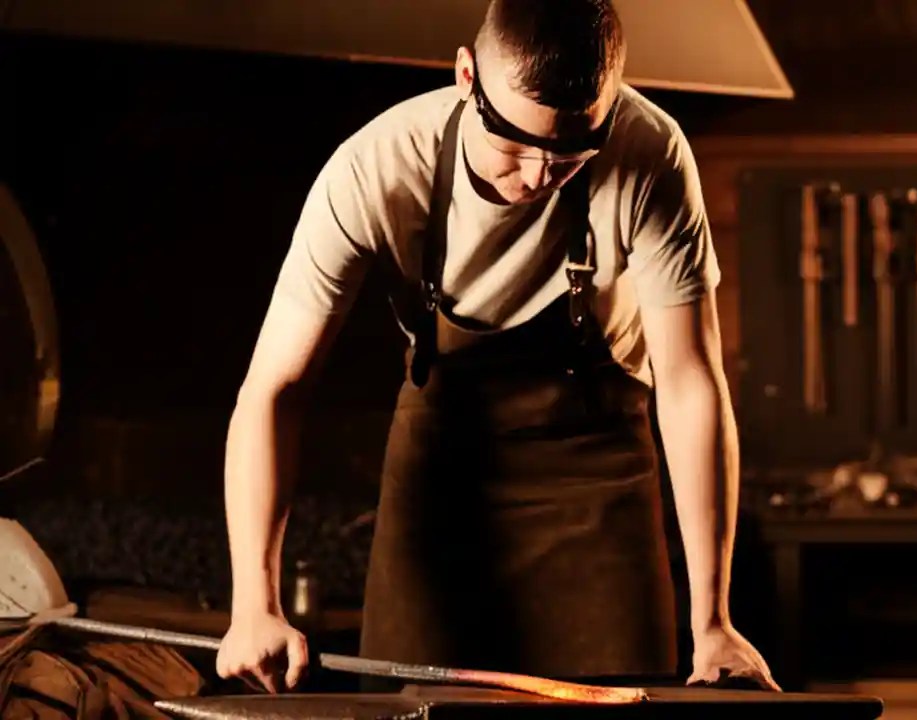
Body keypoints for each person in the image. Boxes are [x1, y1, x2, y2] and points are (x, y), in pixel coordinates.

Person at [214, 0, 778, 695]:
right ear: (465, 77)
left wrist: (713, 621)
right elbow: (274, 391)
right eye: (514, 143)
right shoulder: (373, 169)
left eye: (571, 154)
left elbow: (692, 383)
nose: (540, 176)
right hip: (440, 468)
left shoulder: (649, 152)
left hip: (596, 469)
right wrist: (253, 605)